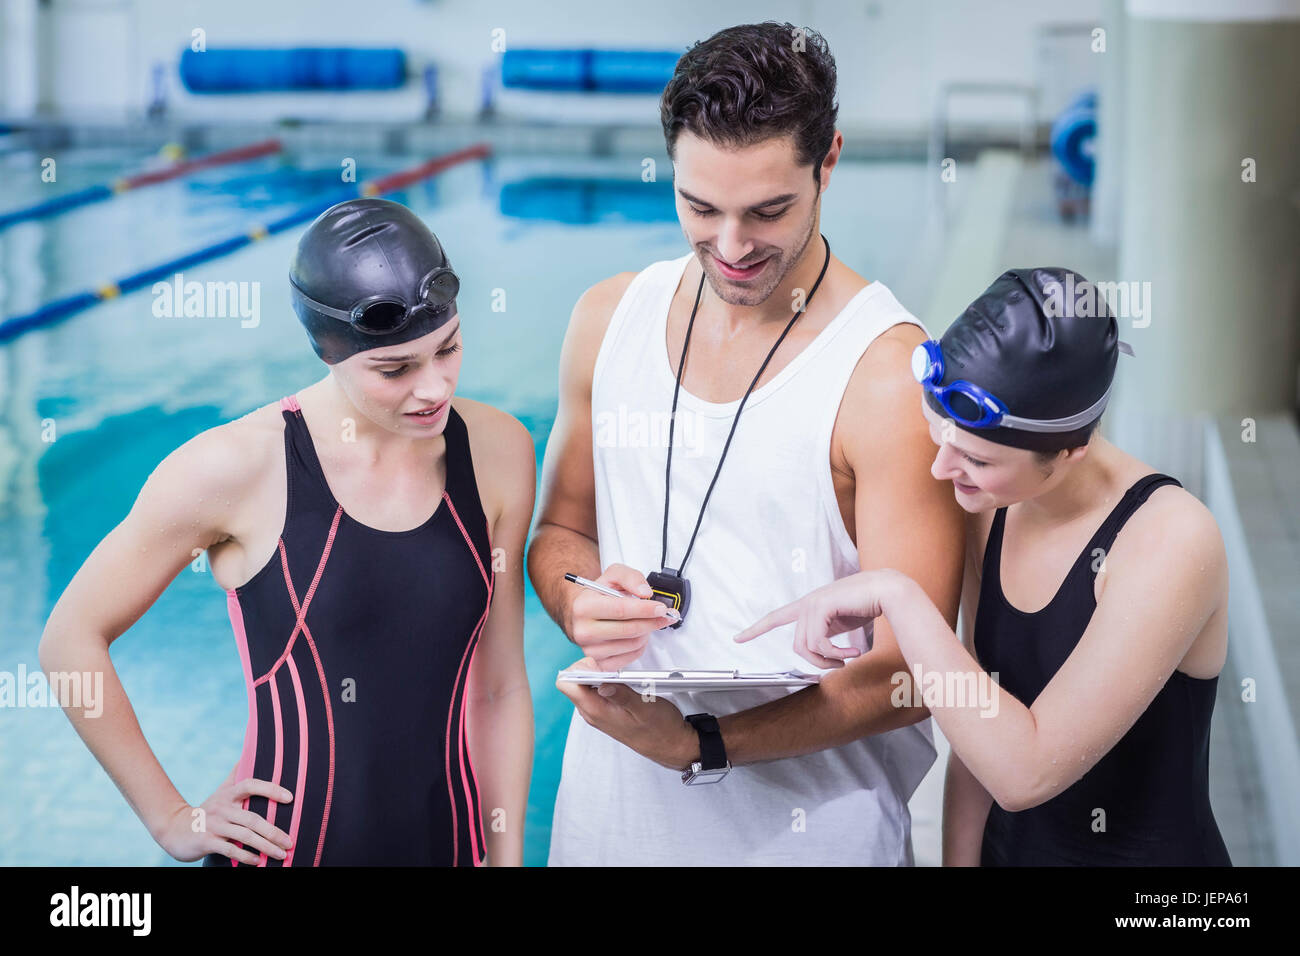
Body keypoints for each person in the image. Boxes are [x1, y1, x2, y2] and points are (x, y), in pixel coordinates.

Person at [529, 21, 965, 866]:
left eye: (768, 211)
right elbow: (559, 534)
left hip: (815, 840)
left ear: (827, 160)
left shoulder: (886, 379)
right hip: (607, 825)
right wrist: (579, 598)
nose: (731, 247)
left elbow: (917, 676)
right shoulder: (605, 321)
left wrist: (703, 742)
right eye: (701, 207)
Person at [38, 198, 536, 866]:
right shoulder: (235, 467)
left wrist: (502, 860)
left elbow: (499, 685)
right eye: (394, 370)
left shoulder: (499, 450)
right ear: (328, 353)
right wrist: (171, 819)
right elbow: (69, 640)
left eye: (447, 349)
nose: (432, 388)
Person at [736, 267, 1233, 866]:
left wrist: (900, 597)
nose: (941, 468)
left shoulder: (1170, 541)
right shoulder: (992, 507)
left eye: (975, 457)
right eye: (939, 432)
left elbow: (1024, 770)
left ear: (1069, 451)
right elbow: (980, 725)